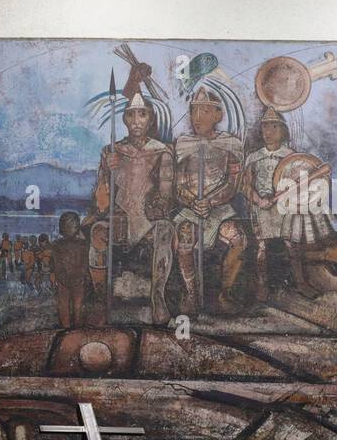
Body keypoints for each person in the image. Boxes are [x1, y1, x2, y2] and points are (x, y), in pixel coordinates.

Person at [89, 91, 175, 323]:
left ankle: (158, 295)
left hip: (148, 218)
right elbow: (101, 197)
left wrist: (155, 209)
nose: (137, 120)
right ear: (125, 120)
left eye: (142, 114)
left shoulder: (163, 151)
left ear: (150, 119)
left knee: (165, 230)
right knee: (98, 231)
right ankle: (100, 297)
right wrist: (108, 171)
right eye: (131, 115)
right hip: (119, 218)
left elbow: (166, 193)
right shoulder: (111, 151)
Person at [173, 87, 245, 314]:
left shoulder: (230, 144)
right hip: (191, 209)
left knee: (238, 238)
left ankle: (225, 293)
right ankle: (192, 292)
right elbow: (178, 185)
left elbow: (233, 184)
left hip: (220, 209)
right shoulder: (184, 144)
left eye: (204, 112)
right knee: (184, 234)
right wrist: (192, 201)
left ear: (218, 115)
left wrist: (211, 201)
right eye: (194, 112)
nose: (197, 118)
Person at [243, 106, 305, 299]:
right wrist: (258, 200)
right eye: (265, 128)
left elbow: (298, 185)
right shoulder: (254, 158)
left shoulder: (291, 156)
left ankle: (301, 282)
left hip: (284, 207)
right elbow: (245, 186)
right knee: (261, 247)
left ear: (283, 130)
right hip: (261, 207)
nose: (268, 132)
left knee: (291, 244)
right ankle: (262, 285)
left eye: (274, 127)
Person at [49, 211, 91, 328]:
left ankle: (69, 329)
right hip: (70, 279)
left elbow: (84, 263)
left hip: (70, 279)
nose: (70, 228)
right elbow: (55, 263)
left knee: (71, 306)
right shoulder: (82, 244)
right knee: (72, 306)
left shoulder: (58, 245)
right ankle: (69, 329)